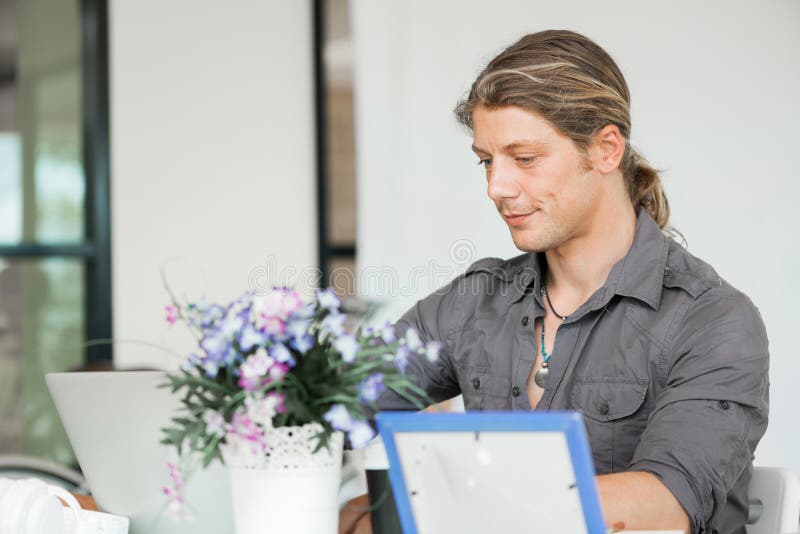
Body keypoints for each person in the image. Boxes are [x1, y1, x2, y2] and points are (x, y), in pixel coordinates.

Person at [340, 29, 769, 534]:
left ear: (607, 149)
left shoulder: (712, 320)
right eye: (487, 161)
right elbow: (334, 408)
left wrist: (427, 502)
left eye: (525, 159)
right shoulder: (471, 304)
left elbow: (663, 504)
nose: (497, 187)